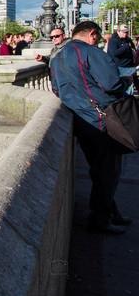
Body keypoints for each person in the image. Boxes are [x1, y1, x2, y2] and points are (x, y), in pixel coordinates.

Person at [50, 21, 131, 234]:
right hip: (102, 120)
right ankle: (100, 220)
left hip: (79, 120)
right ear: (92, 34)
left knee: (98, 169)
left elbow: (56, 89)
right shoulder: (90, 52)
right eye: (97, 37)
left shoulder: (57, 57)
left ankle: (111, 212)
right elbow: (111, 84)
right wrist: (127, 79)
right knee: (108, 171)